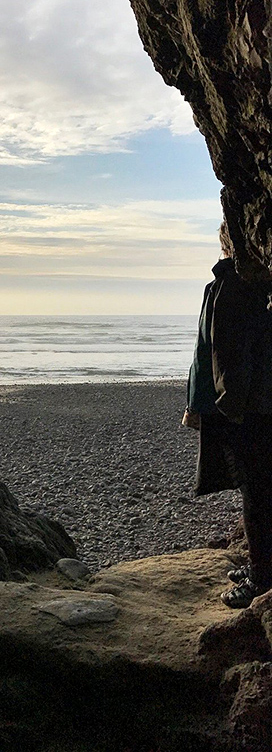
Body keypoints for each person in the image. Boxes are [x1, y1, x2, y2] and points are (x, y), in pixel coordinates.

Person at [183, 221, 272, 608]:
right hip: (246, 406)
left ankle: (261, 576)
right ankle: (259, 564)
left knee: (257, 492)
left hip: (246, 410)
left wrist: (229, 409)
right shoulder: (236, 285)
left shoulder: (234, 286)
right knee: (256, 489)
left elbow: (230, 354)